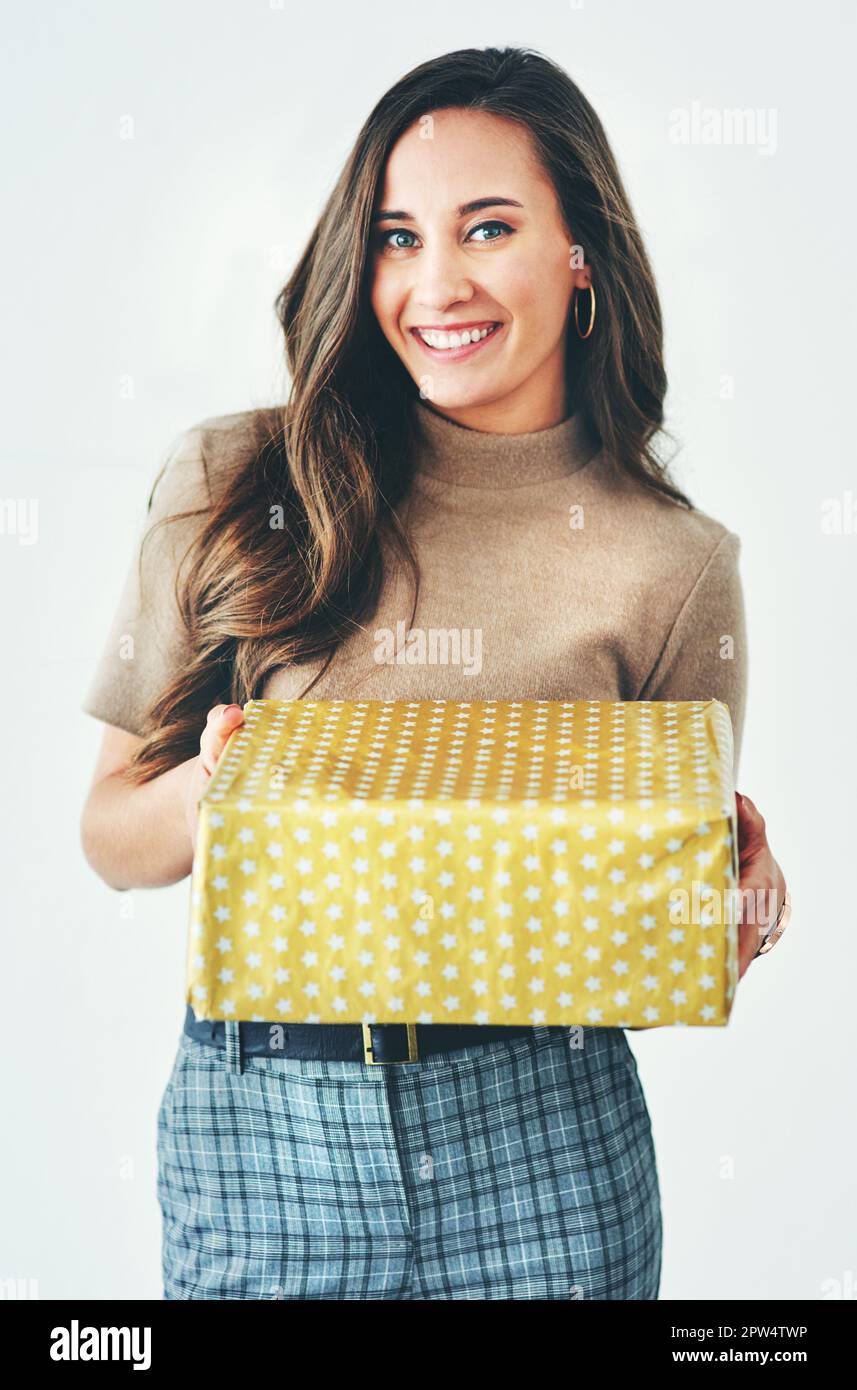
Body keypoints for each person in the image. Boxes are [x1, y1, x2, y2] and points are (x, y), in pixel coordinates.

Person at [80, 46, 788, 1300]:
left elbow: (652, 907)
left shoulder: (673, 565)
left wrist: (722, 903)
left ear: (582, 256)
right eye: (397, 237)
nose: (433, 282)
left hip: (546, 1137)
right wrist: (218, 790)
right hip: (263, 1134)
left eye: (488, 228)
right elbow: (110, 835)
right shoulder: (234, 484)